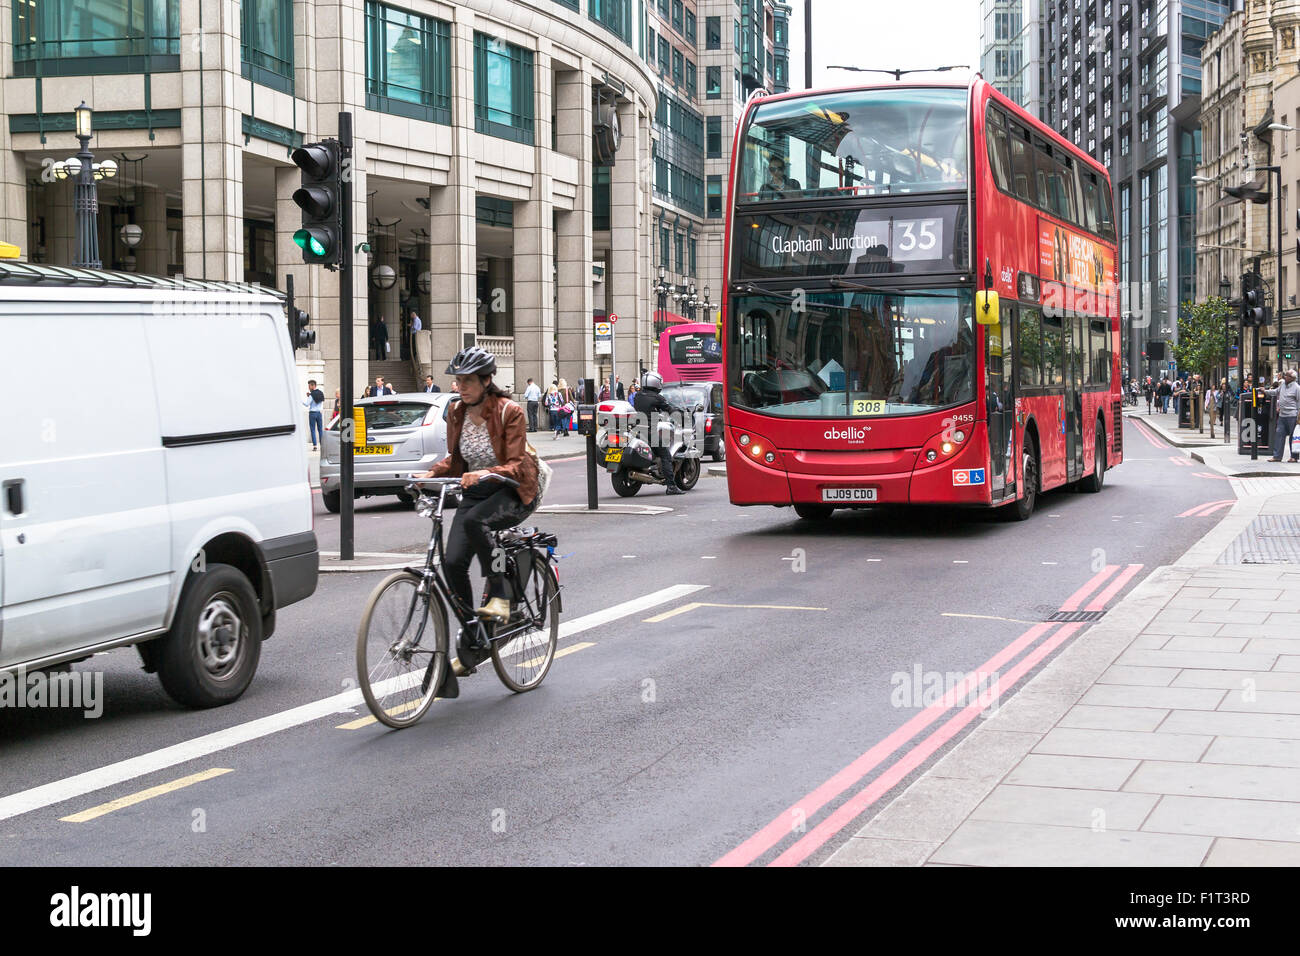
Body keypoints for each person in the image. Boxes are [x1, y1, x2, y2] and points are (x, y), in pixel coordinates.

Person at [415, 347, 538, 652]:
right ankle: (473, 634)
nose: (460, 386)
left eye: (467, 380)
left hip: (511, 489)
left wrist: (484, 473)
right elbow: (458, 459)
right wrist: (433, 473)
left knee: (475, 521)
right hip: (476, 491)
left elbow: (514, 461)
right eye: (458, 380)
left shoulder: (510, 411)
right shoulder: (457, 411)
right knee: (452, 561)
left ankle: (500, 598)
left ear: (486, 380)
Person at [633, 370, 686, 495]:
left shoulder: (638, 395)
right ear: (656, 383)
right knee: (666, 456)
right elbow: (669, 409)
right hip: (650, 432)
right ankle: (671, 487)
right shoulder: (657, 398)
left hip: (637, 431)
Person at [1263, 369, 1300, 462]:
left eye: (1287, 375)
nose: (1285, 377)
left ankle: (1294, 457)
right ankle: (1277, 456)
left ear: (1293, 378)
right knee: (1279, 435)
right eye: (1286, 375)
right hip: (1282, 415)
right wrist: (1265, 391)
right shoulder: (1283, 385)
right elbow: (1275, 392)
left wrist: (1299, 416)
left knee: (1293, 436)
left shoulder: (1297, 388)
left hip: (1292, 415)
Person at [303, 380, 325, 450]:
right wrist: (310, 395)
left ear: (313, 386)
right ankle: (322, 445)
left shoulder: (312, 395)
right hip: (319, 413)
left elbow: (307, 404)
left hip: (312, 413)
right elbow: (318, 399)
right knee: (320, 430)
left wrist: (299, 400)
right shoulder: (320, 393)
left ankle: (315, 446)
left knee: (312, 429)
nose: (309, 388)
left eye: (309, 386)